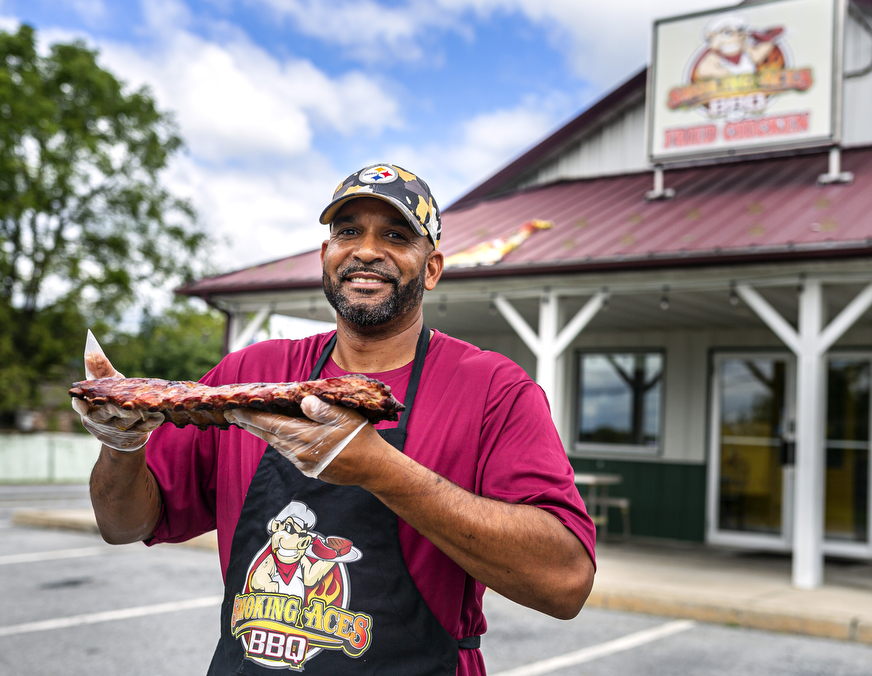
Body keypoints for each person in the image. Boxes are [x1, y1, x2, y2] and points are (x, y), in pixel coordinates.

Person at [75, 163, 597, 675]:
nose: (367, 249)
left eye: (395, 235)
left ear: (432, 267)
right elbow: (123, 524)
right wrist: (121, 446)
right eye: (348, 231)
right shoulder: (254, 372)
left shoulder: (493, 390)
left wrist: (377, 468)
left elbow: (565, 583)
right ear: (326, 255)